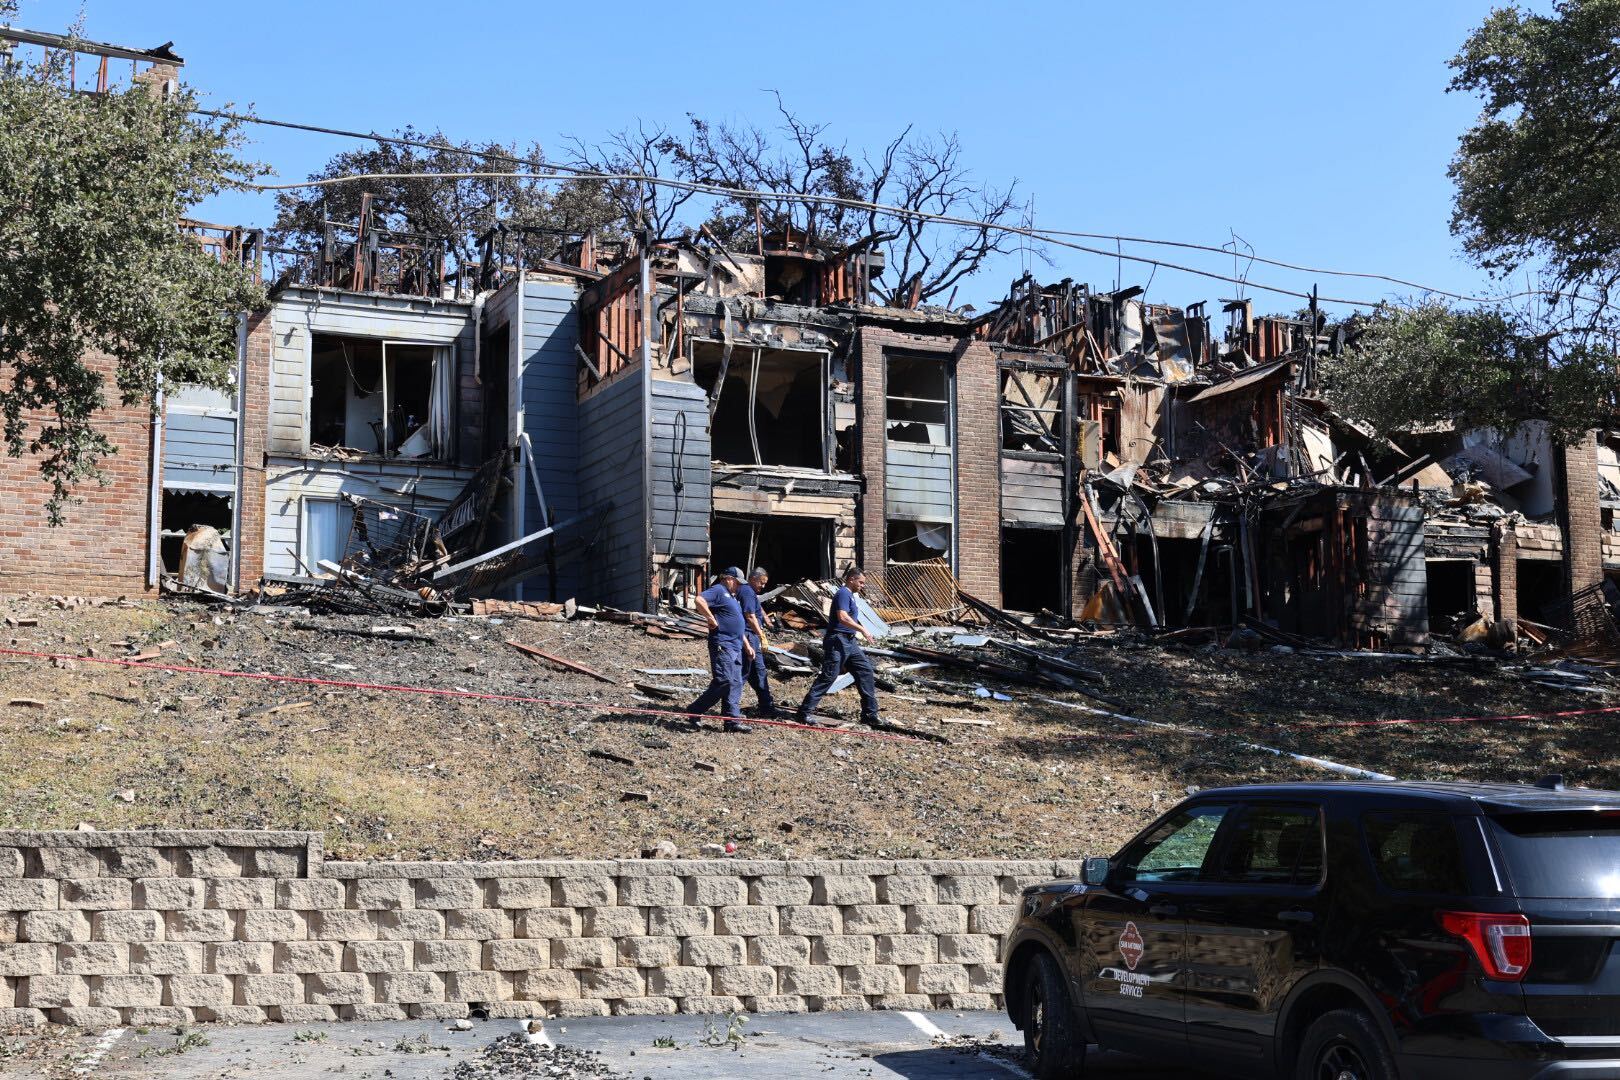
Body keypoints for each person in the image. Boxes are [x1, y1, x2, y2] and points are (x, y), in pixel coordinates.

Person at [795, 566, 881, 727]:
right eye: (861, 582)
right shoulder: (843, 594)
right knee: (829, 675)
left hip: (849, 641)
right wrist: (862, 629)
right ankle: (804, 712)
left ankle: (870, 714)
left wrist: (857, 631)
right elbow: (842, 617)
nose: (862, 586)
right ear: (851, 579)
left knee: (865, 671)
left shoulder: (851, 595)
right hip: (837, 640)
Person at [684, 567, 754, 734]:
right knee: (724, 680)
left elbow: (738, 625)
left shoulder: (732, 597)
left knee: (735, 683)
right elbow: (699, 600)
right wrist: (710, 618)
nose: (738, 586)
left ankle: (732, 721)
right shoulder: (718, 590)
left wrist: (747, 645)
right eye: (737, 582)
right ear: (728, 578)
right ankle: (695, 710)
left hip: (736, 646)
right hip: (723, 644)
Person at [736, 566, 779, 718]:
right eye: (761, 583)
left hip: (751, 635)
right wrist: (762, 636)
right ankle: (732, 710)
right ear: (753, 579)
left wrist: (768, 622)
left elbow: (758, 608)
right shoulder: (747, 591)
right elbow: (749, 616)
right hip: (749, 635)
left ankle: (766, 707)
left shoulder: (750, 592)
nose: (763, 586)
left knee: (757, 673)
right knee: (747, 673)